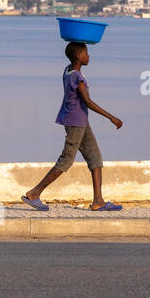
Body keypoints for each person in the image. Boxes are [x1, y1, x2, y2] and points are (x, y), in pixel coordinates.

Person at [22, 41, 123, 212]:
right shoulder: (77, 77)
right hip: (75, 122)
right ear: (78, 56)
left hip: (80, 122)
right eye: (86, 53)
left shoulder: (67, 70)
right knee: (66, 160)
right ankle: (34, 193)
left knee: (95, 159)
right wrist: (111, 117)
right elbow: (88, 102)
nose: (88, 56)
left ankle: (98, 201)